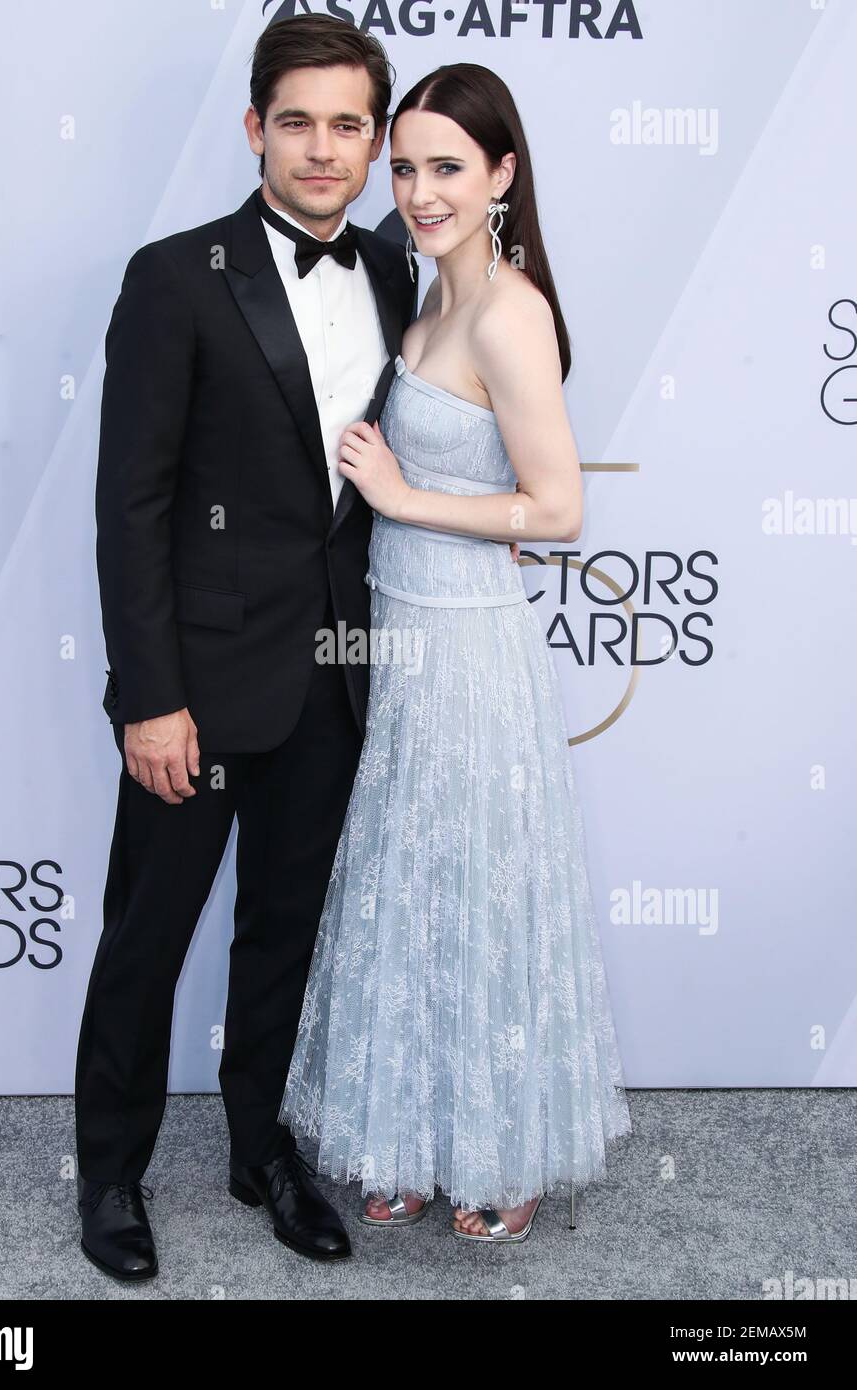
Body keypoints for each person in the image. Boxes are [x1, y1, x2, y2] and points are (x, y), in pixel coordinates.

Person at [74, 15, 416, 1277]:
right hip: (200, 691)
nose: (323, 150)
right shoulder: (175, 275)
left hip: (333, 678)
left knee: (285, 927)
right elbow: (132, 506)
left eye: (347, 126)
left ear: (374, 141)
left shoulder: (393, 275)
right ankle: (109, 1172)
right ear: (254, 127)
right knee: (148, 935)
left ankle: (260, 1148)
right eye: (298, 121)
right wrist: (150, 697)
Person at [279, 62, 632, 1244]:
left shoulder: (507, 312)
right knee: (413, 889)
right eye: (409, 165)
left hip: (473, 656)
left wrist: (402, 493)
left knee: (481, 891)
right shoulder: (424, 298)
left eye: (449, 167)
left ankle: (505, 1151)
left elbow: (560, 509)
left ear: (502, 177)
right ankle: (425, 1136)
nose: (421, 190)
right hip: (404, 644)